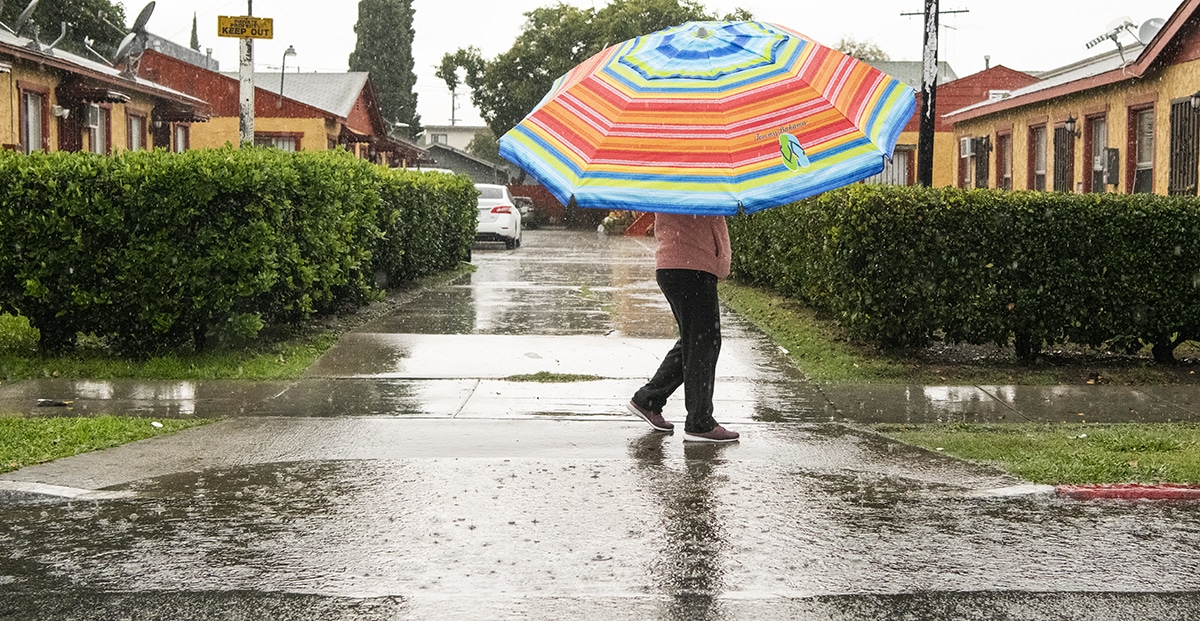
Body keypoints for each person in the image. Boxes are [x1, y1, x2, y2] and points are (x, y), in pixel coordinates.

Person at [626, 212, 739, 443]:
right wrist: (722, 261)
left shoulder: (671, 180)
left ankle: (649, 399)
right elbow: (716, 225)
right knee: (704, 342)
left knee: (696, 340)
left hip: (672, 265)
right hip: (693, 266)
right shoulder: (705, 184)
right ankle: (700, 422)